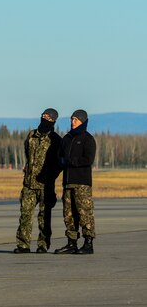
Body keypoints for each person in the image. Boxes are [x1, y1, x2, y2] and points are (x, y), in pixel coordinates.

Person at [14, 108, 62, 253]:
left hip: (45, 184)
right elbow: (27, 154)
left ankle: (43, 244)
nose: (44, 119)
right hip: (29, 183)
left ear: (53, 120)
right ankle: (23, 244)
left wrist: (50, 175)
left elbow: (59, 163)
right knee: (25, 214)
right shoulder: (31, 135)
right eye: (43, 116)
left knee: (44, 216)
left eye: (48, 117)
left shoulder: (56, 140)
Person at [55, 109, 96, 255]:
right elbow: (59, 158)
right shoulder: (66, 139)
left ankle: (88, 243)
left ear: (83, 121)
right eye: (71, 119)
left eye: (76, 120)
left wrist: (71, 161)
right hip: (67, 183)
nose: (73, 122)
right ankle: (71, 243)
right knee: (68, 214)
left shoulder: (87, 139)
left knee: (84, 213)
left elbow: (88, 159)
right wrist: (60, 162)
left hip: (82, 183)